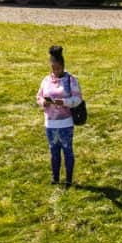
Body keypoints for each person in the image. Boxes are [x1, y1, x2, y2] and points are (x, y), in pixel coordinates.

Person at [36, 45, 82, 187]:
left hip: (66, 123)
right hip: (50, 124)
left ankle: (68, 179)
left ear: (63, 66)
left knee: (67, 151)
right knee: (54, 152)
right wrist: (43, 102)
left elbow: (77, 99)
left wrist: (64, 102)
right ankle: (55, 178)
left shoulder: (71, 80)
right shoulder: (46, 80)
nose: (55, 71)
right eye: (53, 68)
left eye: (58, 68)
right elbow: (39, 97)